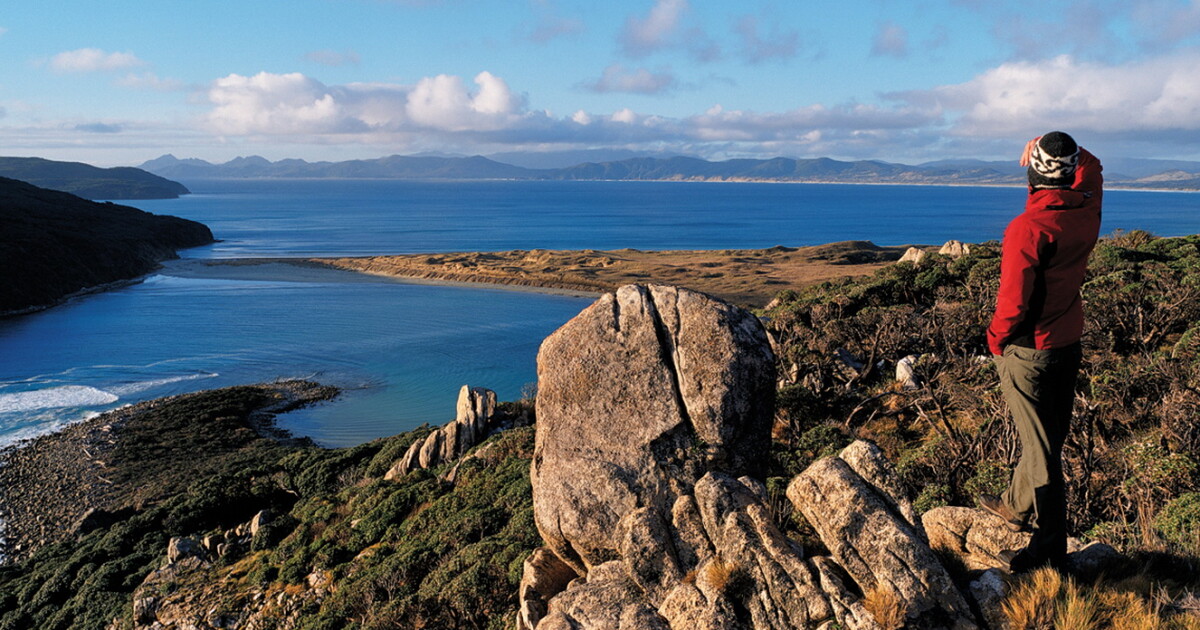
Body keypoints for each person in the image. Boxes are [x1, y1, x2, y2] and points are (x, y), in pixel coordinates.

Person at [977, 131, 1103, 574]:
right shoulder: (1086, 210)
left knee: (1040, 450)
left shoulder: (1027, 229)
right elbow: (1095, 168)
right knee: (1048, 434)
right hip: (1068, 342)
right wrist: (1070, 152)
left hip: (1029, 351)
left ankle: (1048, 551)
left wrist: (995, 341)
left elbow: (1012, 304)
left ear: (1032, 173)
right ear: (1070, 175)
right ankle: (1014, 506)